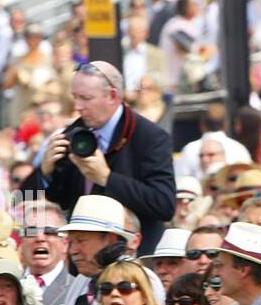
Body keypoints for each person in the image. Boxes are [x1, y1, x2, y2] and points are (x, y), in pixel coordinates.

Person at [37, 61, 175, 255]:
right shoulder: (74, 133)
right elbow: (63, 202)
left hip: (132, 260)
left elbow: (163, 205)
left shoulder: (149, 136)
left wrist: (106, 178)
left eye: (86, 98)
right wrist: (47, 173)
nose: (78, 107)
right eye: (75, 97)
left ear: (112, 96)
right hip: (83, 260)